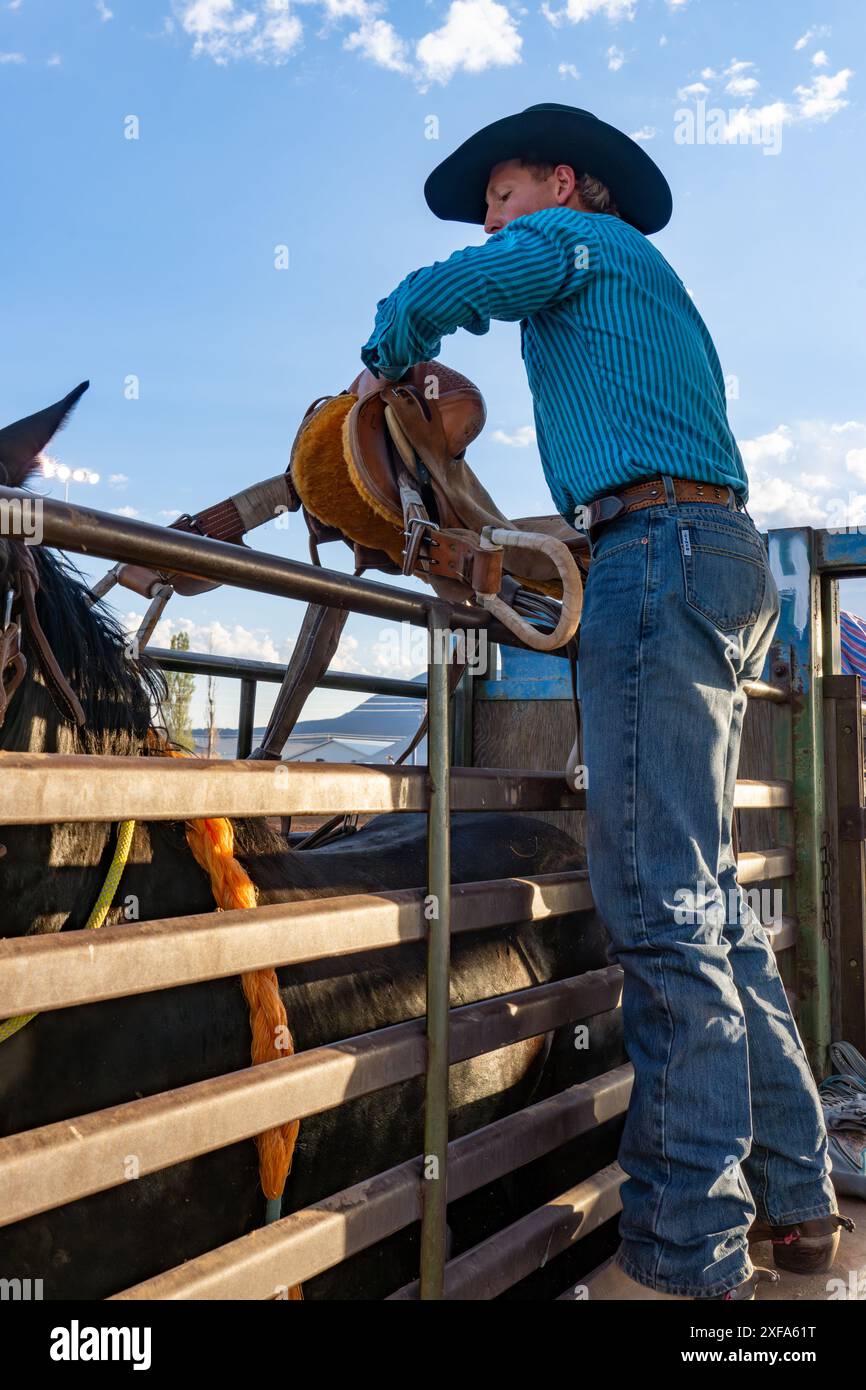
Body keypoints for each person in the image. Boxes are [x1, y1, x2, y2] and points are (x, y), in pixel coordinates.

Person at [359, 103, 850, 1300]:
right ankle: (796, 1201)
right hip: (708, 555)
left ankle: (682, 1257)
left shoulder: (584, 243)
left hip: (653, 556)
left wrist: (384, 347)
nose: (493, 216)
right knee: (713, 908)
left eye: (504, 192)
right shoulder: (646, 282)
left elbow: (455, 287)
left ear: (567, 185)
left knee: (658, 906)